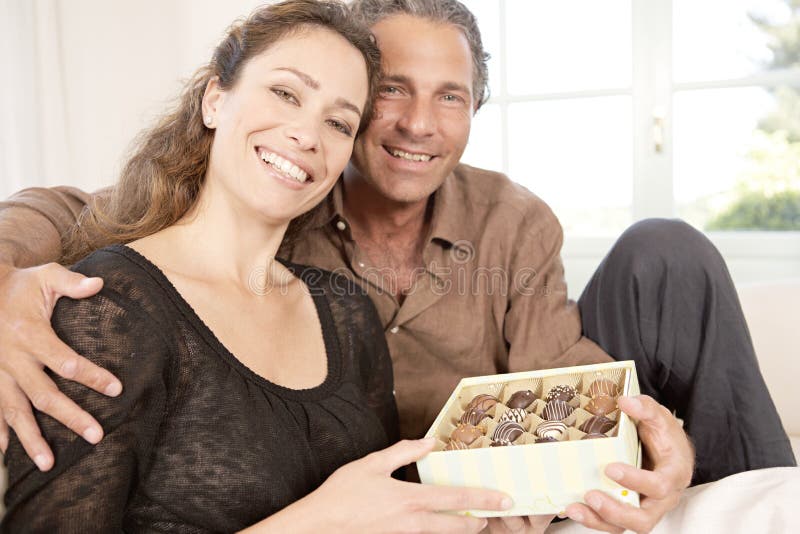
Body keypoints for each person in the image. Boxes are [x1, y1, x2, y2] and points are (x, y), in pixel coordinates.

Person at [0, 0, 794, 532]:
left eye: (450, 97)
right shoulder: (274, 194)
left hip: (467, 483)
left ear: (475, 112)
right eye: (394, 93)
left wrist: (657, 453)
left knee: (668, 252)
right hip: (373, 490)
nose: (419, 123)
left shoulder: (506, 223)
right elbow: (76, 210)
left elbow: (565, 391)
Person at [0, 1, 514, 532]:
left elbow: (388, 512)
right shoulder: (107, 310)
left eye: (339, 122)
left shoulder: (346, 312)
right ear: (215, 100)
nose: (307, 135)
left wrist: (500, 509)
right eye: (285, 93)